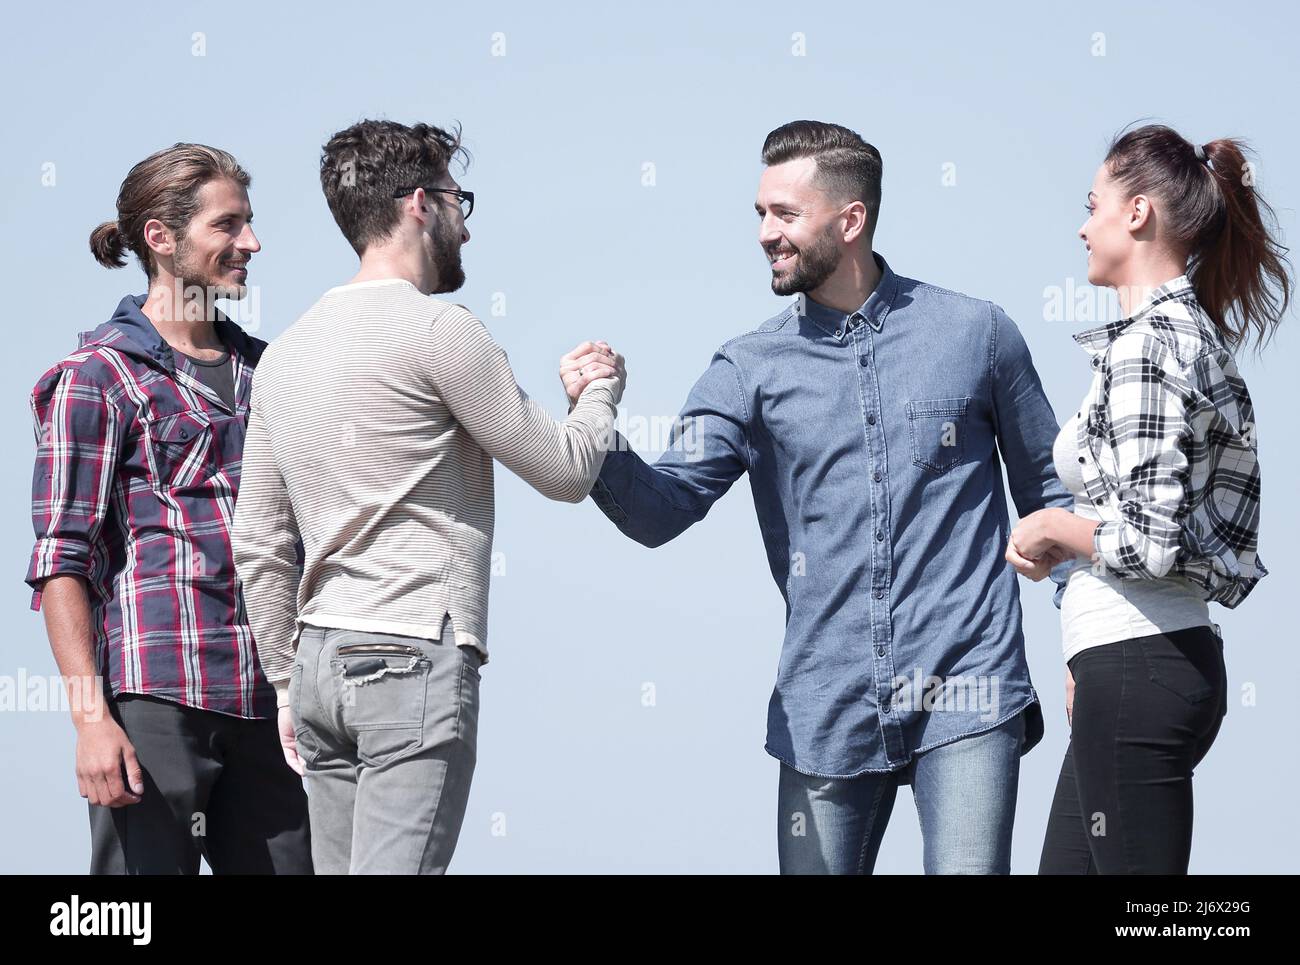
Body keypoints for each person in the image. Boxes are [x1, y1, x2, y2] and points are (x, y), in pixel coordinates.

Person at [569, 120, 1072, 874]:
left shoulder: (978, 334)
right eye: (760, 214)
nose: (766, 233)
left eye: (784, 214)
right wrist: (595, 416)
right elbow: (659, 507)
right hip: (825, 707)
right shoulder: (747, 367)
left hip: (970, 687)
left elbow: (1049, 489)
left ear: (851, 219)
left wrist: (1090, 642)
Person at [231, 119, 625, 874]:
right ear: (419, 203)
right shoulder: (442, 331)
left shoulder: (282, 355)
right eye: (457, 201)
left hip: (316, 665)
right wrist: (600, 393)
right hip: (410, 652)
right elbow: (566, 471)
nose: (465, 229)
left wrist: (285, 682)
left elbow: (258, 540)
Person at [1011, 124, 1290, 874]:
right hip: (1129, 666)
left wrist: (1053, 526)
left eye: (1092, 202)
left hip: (1140, 666)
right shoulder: (1173, 336)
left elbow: (1152, 538)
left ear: (1136, 214)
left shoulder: (1149, 346)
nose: (1081, 223)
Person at [25, 143, 312, 874]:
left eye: (249, 224)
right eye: (230, 225)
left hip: (274, 704)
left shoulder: (271, 374)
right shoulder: (95, 378)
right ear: (161, 237)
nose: (251, 243)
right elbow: (62, 560)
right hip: (156, 703)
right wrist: (92, 720)